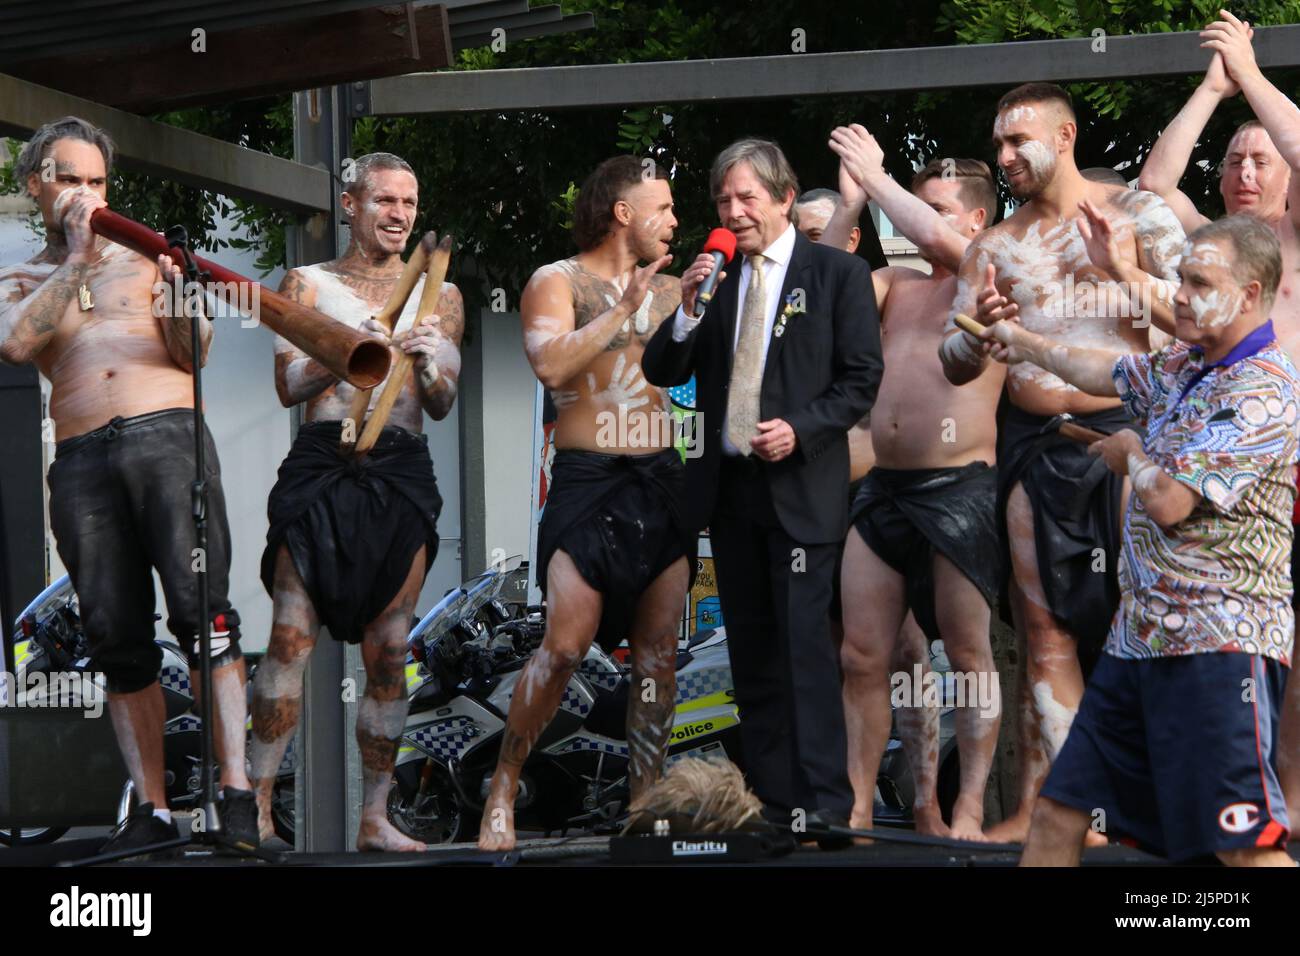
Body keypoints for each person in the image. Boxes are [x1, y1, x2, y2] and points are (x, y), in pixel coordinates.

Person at [983, 215, 1298, 866]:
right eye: (1179, 278)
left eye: (1198, 281)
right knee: (1056, 814)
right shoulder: (1186, 363)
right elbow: (1108, 371)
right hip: (1138, 644)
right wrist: (1024, 342)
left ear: (1249, 295)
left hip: (1218, 649)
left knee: (1243, 849)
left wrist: (1131, 455)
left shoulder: (1266, 388)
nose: (1177, 294)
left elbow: (1171, 501)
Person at [0, 116, 255, 854]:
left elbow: (193, 349)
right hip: (81, 455)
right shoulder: (22, 276)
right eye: (70, 179)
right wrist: (76, 261)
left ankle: (235, 794)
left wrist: (179, 295)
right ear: (35, 185)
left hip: (167, 434)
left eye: (98, 182)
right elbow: (17, 343)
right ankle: (152, 808)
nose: (86, 194)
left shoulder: (146, 259)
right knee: (115, 638)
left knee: (204, 616)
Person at [939, 82, 1186, 842]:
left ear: (1067, 134)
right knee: (1046, 633)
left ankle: (1163, 803)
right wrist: (977, 338)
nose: (1005, 157)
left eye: (1019, 141)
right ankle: (1089, 815)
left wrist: (1123, 273)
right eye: (1000, 144)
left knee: (1144, 618)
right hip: (1036, 444)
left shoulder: (1140, 215)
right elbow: (951, 360)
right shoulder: (993, 246)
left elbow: (1197, 321)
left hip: (1129, 434)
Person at [643, 138, 882, 844]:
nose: (734, 211)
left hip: (802, 488)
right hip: (730, 492)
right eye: (723, 200)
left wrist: (800, 429)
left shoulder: (835, 273)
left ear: (784, 197)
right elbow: (663, 365)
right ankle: (777, 806)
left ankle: (828, 808)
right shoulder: (715, 279)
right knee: (751, 651)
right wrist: (686, 309)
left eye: (748, 197)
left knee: (806, 648)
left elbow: (860, 379)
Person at [248, 152, 462, 852]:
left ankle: (375, 818)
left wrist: (429, 361)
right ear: (350, 205)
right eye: (384, 201)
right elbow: (290, 385)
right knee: (289, 636)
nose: (399, 215)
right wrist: (360, 345)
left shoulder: (442, 295)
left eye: (409, 202)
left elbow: (441, 401)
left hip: (398, 470)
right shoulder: (305, 284)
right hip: (322, 463)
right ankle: (252, 812)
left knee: (391, 649)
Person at [478, 156, 691, 851]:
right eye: (663, 207)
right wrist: (625, 310)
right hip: (588, 478)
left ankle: (644, 800)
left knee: (658, 653)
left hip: (659, 478)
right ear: (623, 212)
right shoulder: (556, 280)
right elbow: (551, 365)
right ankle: (504, 787)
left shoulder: (678, 289)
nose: (675, 220)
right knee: (565, 646)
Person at [1137, 13, 1300, 822]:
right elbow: (1152, 188)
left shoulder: (1296, 237)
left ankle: (1290, 797)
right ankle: (1263, 797)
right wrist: (1210, 87)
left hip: (1284, 442)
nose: (1242, 170)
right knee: (1264, 632)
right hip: (1223, 449)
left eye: (1257, 158)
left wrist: (1252, 71)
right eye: (1232, 159)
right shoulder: (1220, 246)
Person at [824, 126, 1005, 840]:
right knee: (861, 654)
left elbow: (934, 236)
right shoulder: (894, 285)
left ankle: (966, 807)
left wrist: (879, 179)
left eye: (931, 208)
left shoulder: (988, 270)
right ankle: (859, 805)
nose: (910, 222)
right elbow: (825, 281)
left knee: (966, 654)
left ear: (975, 219)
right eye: (911, 205)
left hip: (961, 488)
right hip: (885, 491)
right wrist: (847, 204)